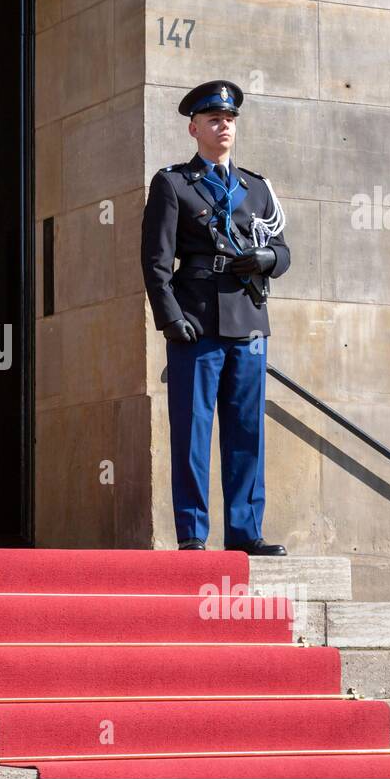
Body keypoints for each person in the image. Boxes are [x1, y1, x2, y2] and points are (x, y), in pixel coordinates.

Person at [140, 80, 290, 556]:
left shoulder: (256, 187)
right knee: (192, 432)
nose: (223, 126)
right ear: (194, 128)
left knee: (247, 433)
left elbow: (283, 250)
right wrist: (169, 318)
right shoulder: (173, 183)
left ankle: (246, 532)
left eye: (229, 120)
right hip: (198, 321)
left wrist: (267, 260)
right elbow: (156, 261)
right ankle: (192, 534)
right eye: (213, 120)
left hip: (247, 321)